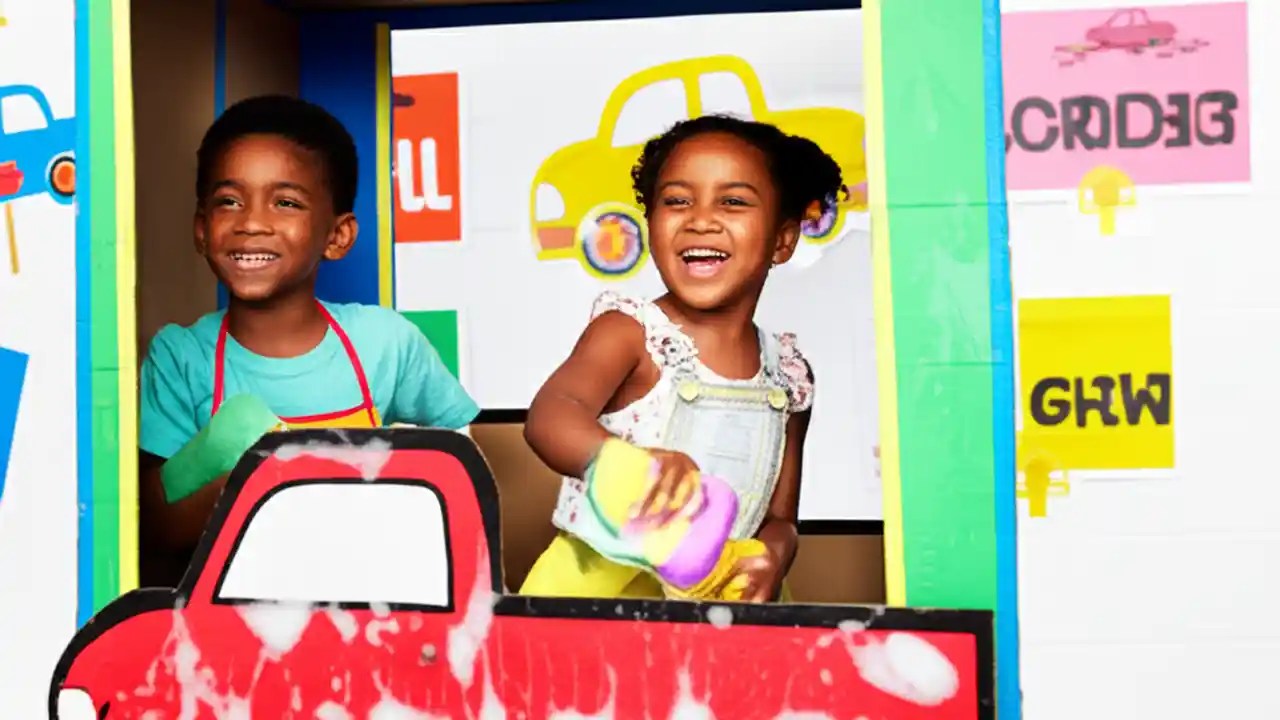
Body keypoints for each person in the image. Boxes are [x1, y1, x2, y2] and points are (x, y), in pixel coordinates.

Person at [138, 96, 479, 584]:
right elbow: (153, 526)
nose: (252, 222)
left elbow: (464, 471)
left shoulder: (385, 342)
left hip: (372, 603)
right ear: (200, 228)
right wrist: (272, 475)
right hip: (233, 618)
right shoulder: (181, 357)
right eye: (229, 201)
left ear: (337, 235)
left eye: (286, 203)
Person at [519, 115, 842, 603]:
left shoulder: (788, 375)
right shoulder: (631, 333)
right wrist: (621, 461)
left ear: (782, 239)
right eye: (676, 201)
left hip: (720, 601)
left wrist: (774, 554)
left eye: (732, 201)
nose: (700, 219)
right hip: (597, 597)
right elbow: (549, 416)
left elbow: (780, 517)